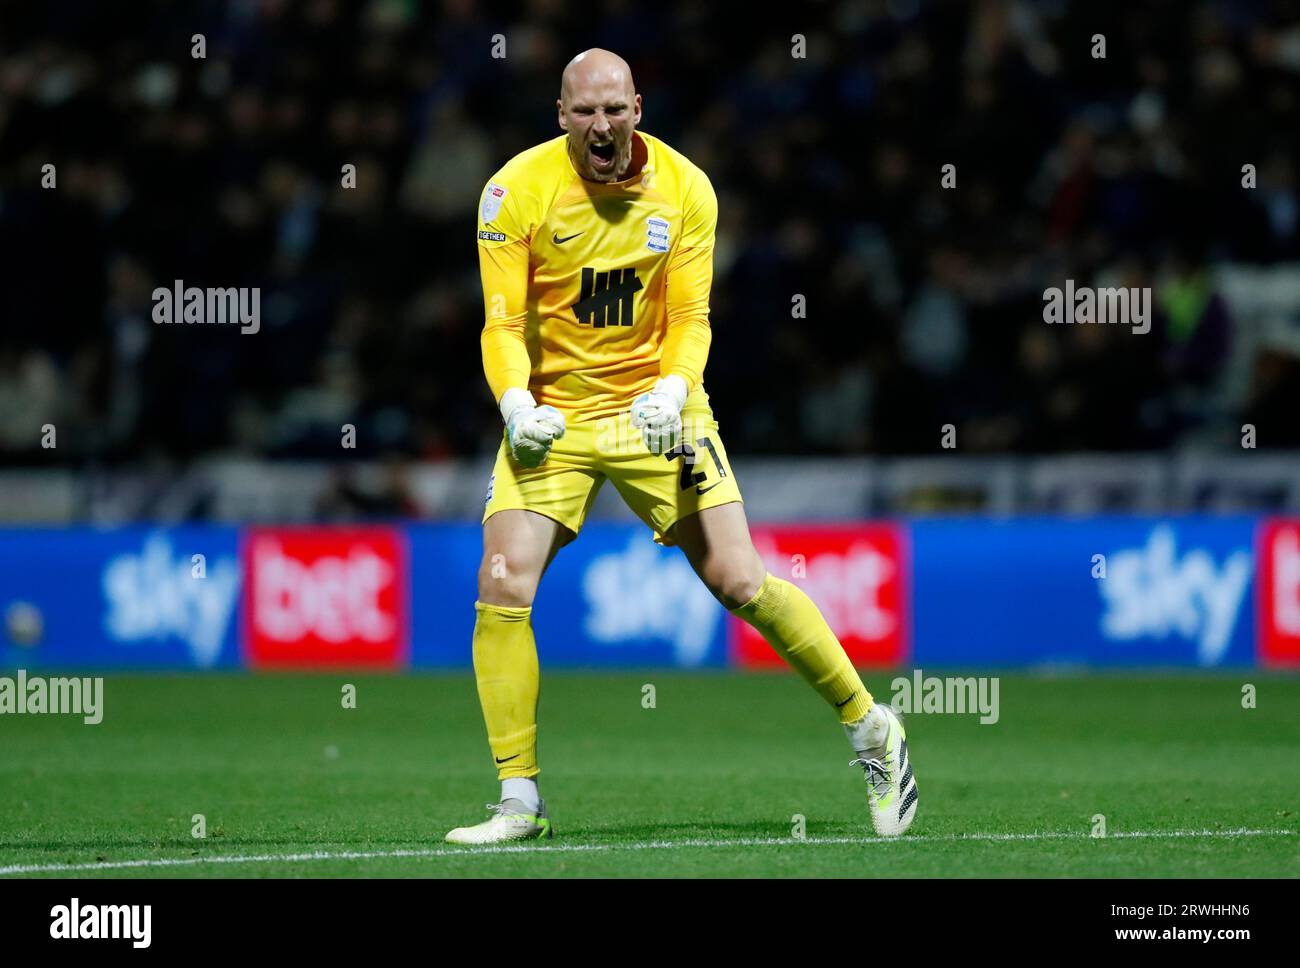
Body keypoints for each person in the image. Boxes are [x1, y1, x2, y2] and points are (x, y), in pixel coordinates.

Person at [447, 48, 916, 844]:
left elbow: (689, 318)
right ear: (561, 116)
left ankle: (873, 732)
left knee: (739, 581)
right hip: (553, 415)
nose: (602, 126)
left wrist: (671, 389)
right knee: (502, 581)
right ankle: (519, 800)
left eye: (615, 109)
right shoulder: (511, 192)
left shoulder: (687, 188)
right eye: (585, 112)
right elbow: (503, 323)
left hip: (657, 408)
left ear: (639, 105)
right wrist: (517, 403)